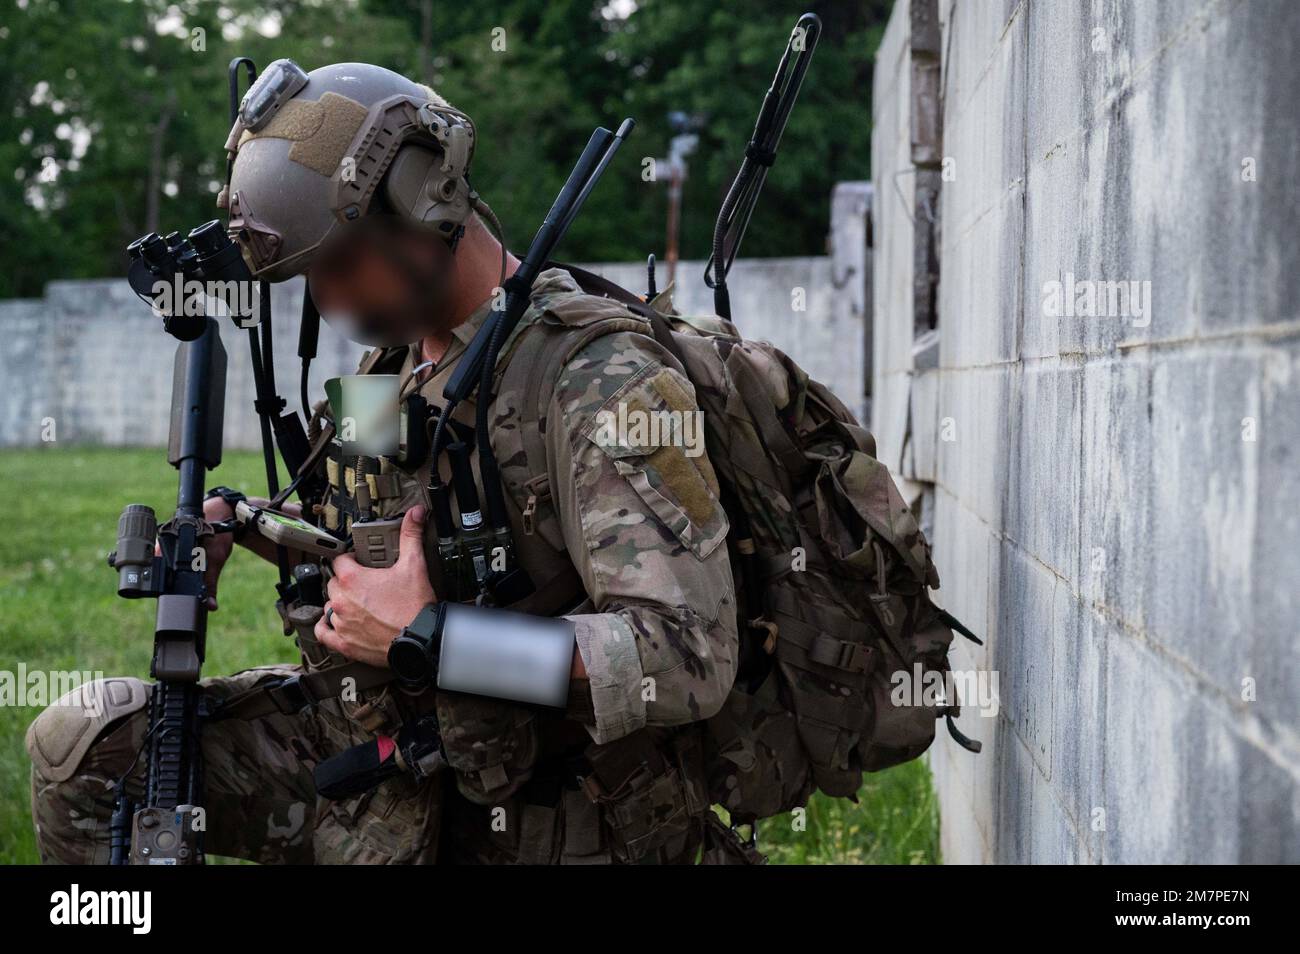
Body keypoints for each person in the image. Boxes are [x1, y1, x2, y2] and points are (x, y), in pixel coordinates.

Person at [27, 60, 738, 864]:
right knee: (86, 751)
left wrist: (435, 637)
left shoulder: (601, 377)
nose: (327, 299)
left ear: (426, 199)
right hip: (389, 745)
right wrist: (247, 525)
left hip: (546, 800)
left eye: (338, 264)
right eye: (310, 276)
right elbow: (370, 537)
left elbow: (688, 653)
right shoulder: (391, 365)